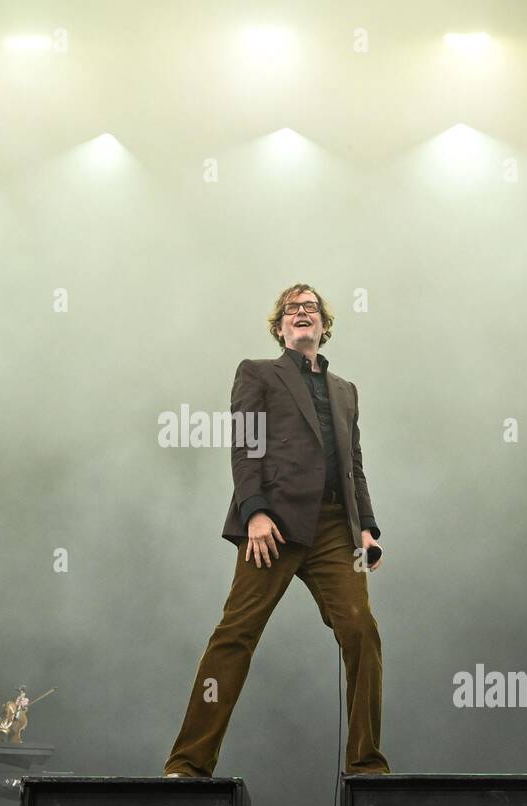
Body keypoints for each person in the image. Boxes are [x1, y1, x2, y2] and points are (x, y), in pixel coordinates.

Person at [164, 283, 391, 778]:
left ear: (324, 326)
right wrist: (255, 512)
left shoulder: (346, 390)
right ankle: (187, 763)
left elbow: (354, 464)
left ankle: (367, 764)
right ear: (281, 326)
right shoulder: (259, 373)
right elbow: (244, 446)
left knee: (362, 632)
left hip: (335, 528)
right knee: (236, 634)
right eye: (293, 309)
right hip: (276, 523)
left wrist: (367, 529)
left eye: (310, 308)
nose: (302, 313)